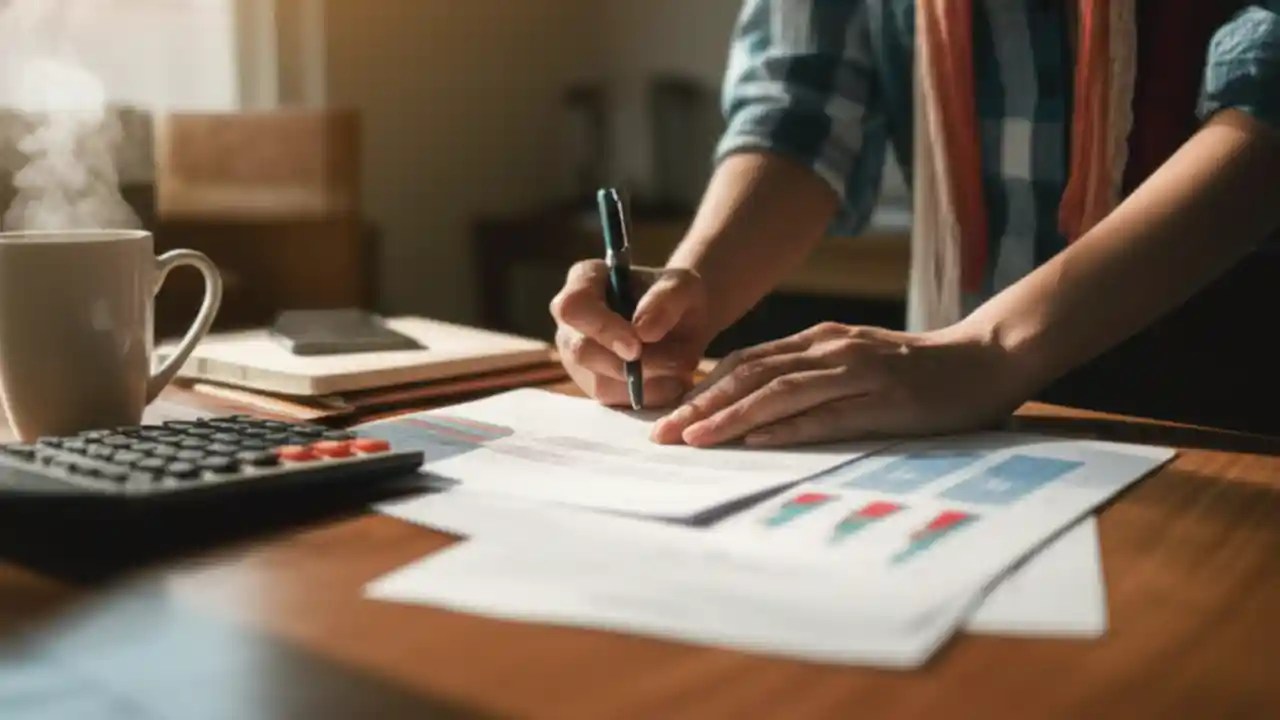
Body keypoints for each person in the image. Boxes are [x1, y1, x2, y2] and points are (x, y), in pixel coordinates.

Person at [549, 1, 1280, 447]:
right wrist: (694, 284)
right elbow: (801, 105)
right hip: (962, 410)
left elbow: (1268, 104)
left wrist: (991, 349)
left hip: (1230, 398)